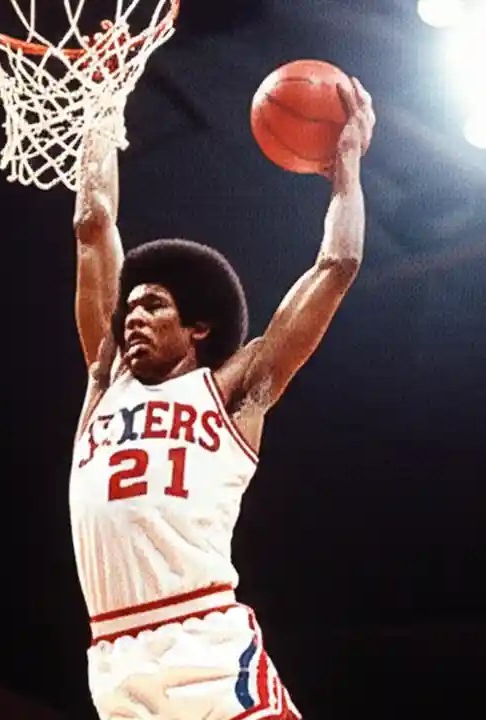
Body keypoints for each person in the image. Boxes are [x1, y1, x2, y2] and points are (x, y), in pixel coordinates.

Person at [67, 75, 376, 720]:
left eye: (154, 305)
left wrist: (345, 169)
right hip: (114, 658)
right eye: (130, 305)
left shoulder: (234, 389)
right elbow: (93, 225)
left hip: (203, 637)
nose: (132, 315)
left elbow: (336, 268)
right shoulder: (105, 378)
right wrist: (101, 106)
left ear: (197, 329)